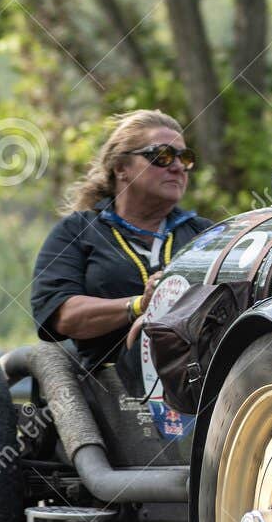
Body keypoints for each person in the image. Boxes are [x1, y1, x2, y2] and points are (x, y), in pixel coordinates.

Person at [31, 110, 212, 370]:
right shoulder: (77, 231)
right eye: (161, 155)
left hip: (197, 388)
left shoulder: (206, 235)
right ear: (121, 168)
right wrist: (140, 305)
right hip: (108, 392)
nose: (177, 166)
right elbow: (63, 315)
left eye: (185, 158)